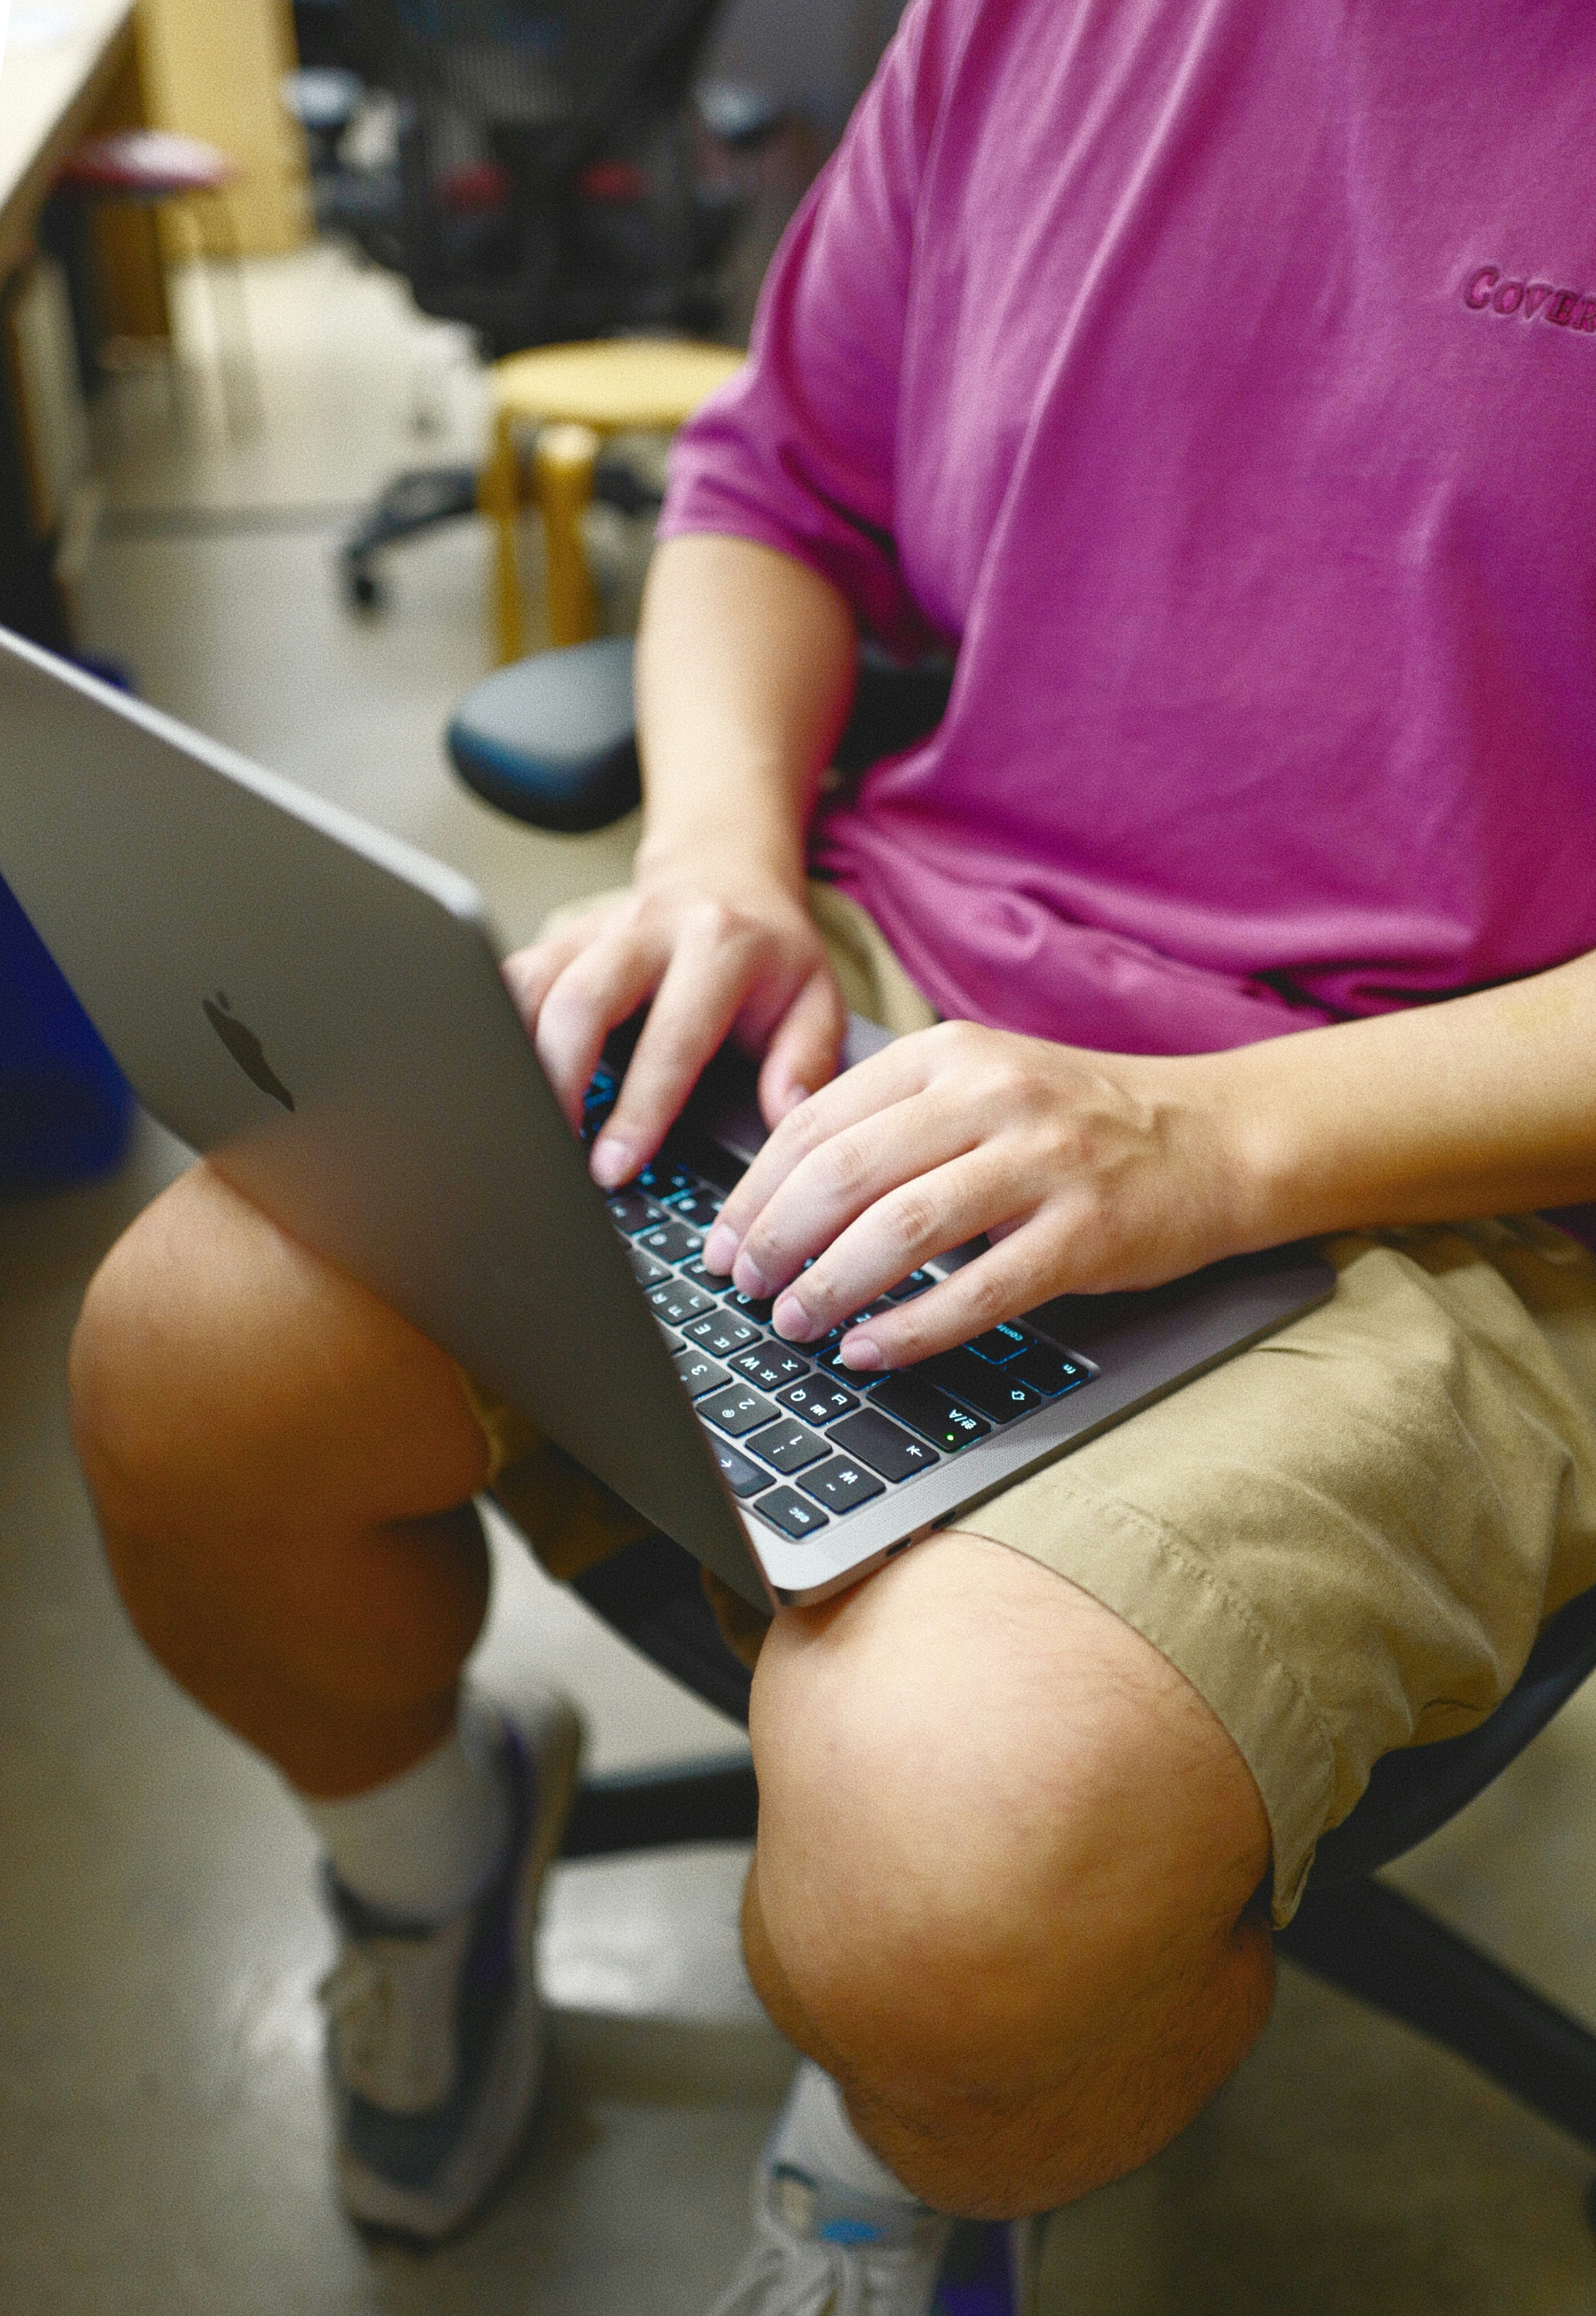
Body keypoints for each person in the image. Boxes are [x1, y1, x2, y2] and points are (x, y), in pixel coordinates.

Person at [67, 0, 1596, 2307]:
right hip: (909, 965)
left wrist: (1214, 1134)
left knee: (952, 1872)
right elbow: (778, 489)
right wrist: (716, 859)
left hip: (1457, 1139)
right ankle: (427, 1857)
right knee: (194, 1352)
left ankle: (912, 2166)